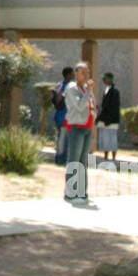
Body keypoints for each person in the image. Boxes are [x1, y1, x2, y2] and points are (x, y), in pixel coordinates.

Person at [62, 62, 96, 201]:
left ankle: (82, 192)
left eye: (87, 72)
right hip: (76, 127)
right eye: (83, 72)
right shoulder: (72, 88)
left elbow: (92, 104)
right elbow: (80, 106)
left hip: (87, 127)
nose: (86, 75)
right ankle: (71, 192)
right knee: (74, 160)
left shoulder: (85, 89)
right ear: (76, 73)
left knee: (83, 161)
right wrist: (88, 91)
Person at [96, 71, 121, 162]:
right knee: (105, 138)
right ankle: (106, 156)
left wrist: (108, 119)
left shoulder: (114, 92)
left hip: (111, 120)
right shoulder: (106, 90)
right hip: (105, 119)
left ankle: (113, 157)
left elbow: (114, 107)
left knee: (112, 138)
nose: (103, 80)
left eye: (105, 79)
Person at [52, 66, 73, 167]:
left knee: (60, 138)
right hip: (65, 116)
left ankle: (59, 158)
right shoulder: (70, 86)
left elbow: (54, 100)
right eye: (72, 73)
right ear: (68, 74)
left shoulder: (58, 85)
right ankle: (62, 159)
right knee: (64, 139)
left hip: (58, 115)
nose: (73, 75)